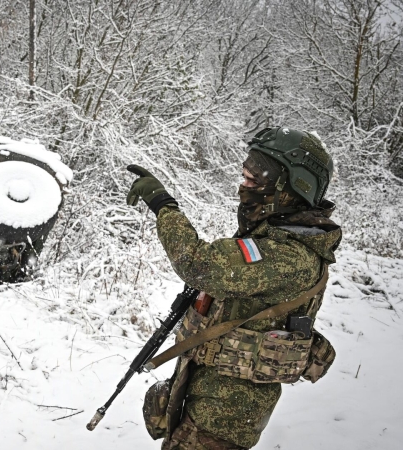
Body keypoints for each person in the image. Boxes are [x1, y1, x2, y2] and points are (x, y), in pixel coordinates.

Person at [127, 127, 341, 449]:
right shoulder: (275, 237)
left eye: (254, 180)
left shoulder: (290, 255)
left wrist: (163, 203)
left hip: (223, 420)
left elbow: (199, 264)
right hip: (207, 398)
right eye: (245, 176)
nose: (244, 186)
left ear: (292, 188)